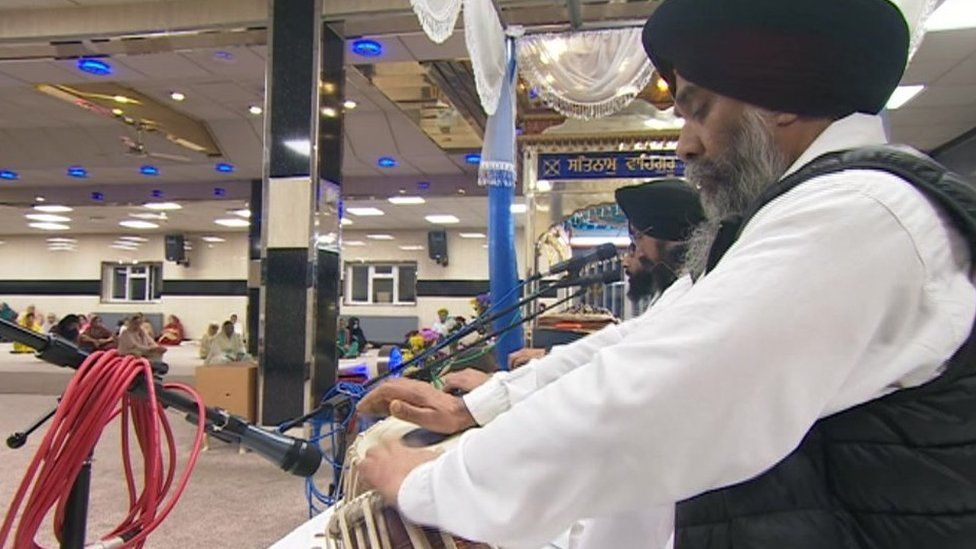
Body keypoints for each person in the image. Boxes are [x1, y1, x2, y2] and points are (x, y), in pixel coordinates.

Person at [356, 2, 976, 548]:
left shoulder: (859, 212)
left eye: (698, 110)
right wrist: (480, 410)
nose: (687, 144)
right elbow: (637, 344)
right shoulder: (805, 210)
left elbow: (660, 392)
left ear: (784, 102)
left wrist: (437, 484)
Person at [508, 179, 705, 369]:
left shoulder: (691, 294)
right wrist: (550, 356)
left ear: (669, 235)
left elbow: (629, 356)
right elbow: (625, 338)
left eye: (639, 237)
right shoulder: (674, 292)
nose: (638, 253)